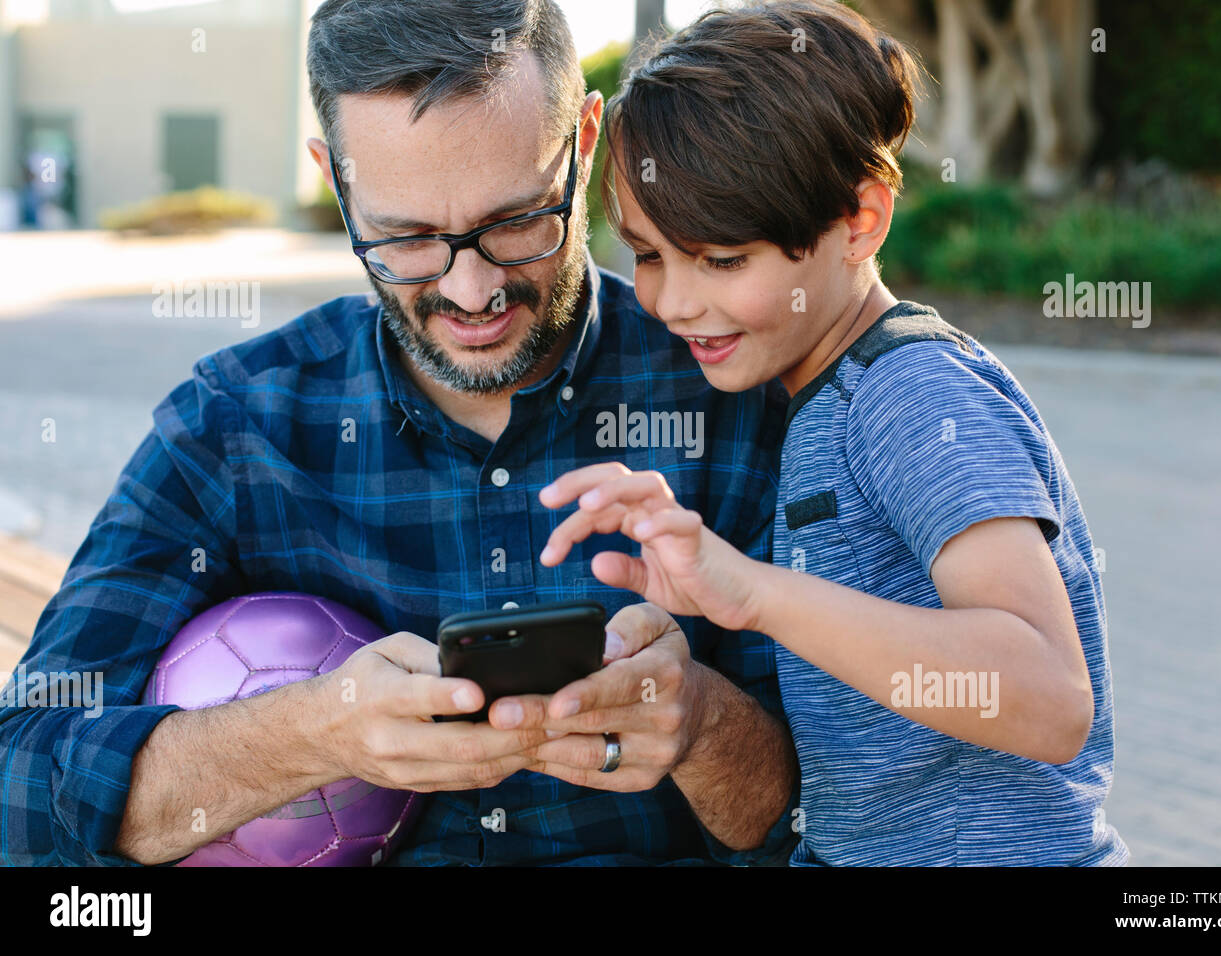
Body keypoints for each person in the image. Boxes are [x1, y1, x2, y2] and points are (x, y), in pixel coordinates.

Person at [0, 0, 798, 867]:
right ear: (335, 181)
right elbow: (20, 783)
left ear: (586, 142)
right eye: (406, 237)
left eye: (515, 222)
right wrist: (310, 735)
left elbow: (844, 813)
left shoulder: (738, 396)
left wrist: (704, 727)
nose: (470, 291)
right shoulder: (236, 424)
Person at [539, 0, 1129, 866]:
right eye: (650, 255)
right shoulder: (819, 394)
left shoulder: (908, 394)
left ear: (860, 222)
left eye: (723, 260)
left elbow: (1048, 696)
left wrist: (753, 594)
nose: (672, 301)